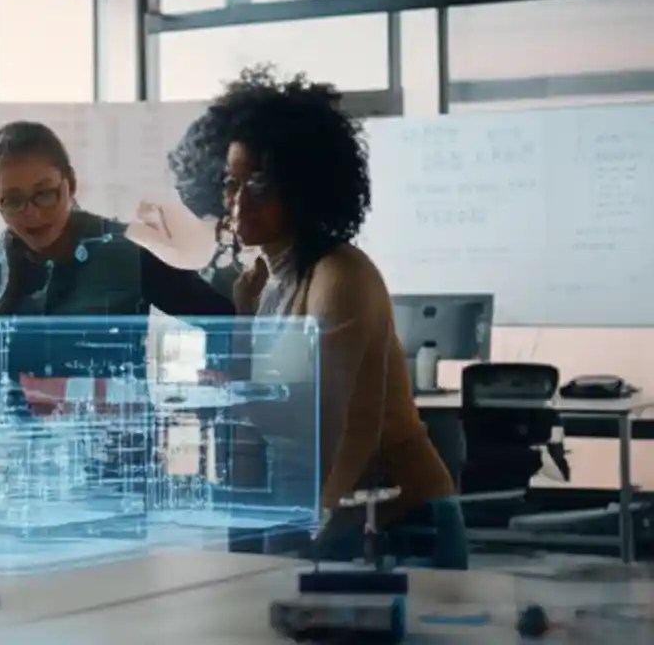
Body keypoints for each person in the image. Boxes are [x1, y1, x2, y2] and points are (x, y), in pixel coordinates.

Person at [160, 64, 466, 569]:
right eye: (231, 184)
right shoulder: (257, 281)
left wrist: (307, 533)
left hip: (397, 521)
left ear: (302, 187)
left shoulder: (340, 275)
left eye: (260, 184)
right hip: (317, 510)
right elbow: (267, 414)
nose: (239, 203)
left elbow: (335, 423)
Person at [0, 120, 235, 412]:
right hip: (21, 437)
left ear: (70, 184)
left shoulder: (127, 250)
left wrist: (214, 387)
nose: (32, 213)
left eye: (45, 193)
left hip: (116, 434)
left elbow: (221, 316)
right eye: (13, 200)